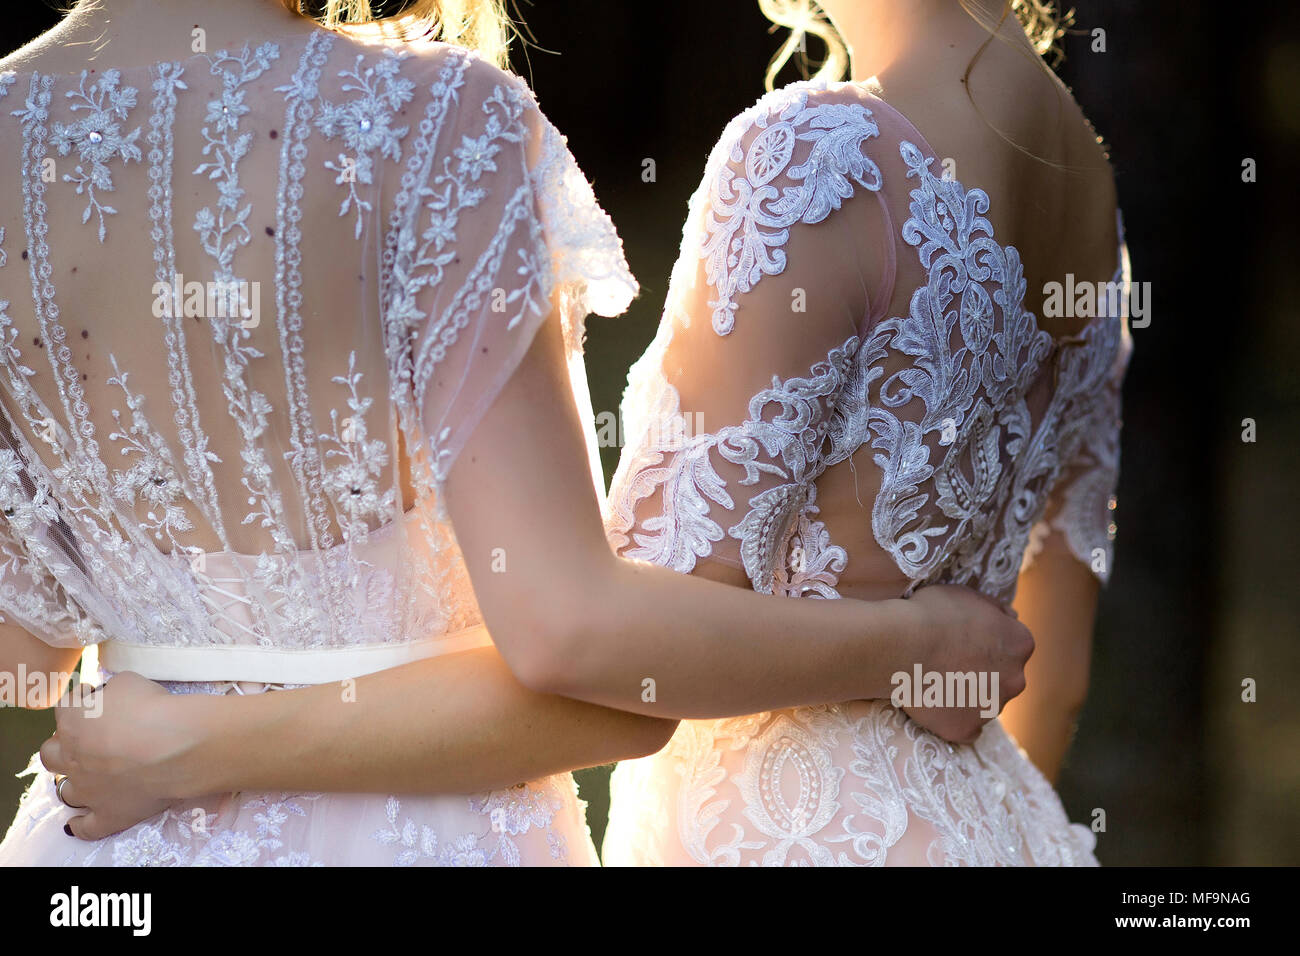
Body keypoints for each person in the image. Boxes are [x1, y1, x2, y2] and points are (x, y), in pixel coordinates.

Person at [0, 0, 1029, 866]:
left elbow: (28, 654)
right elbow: (586, 654)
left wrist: (180, 728)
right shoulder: (426, 120)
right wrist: (918, 641)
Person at [598, 0, 1132, 865]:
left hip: (779, 831)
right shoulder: (1095, 195)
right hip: (1002, 833)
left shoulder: (821, 155)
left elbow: (635, 647)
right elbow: (1056, 675)